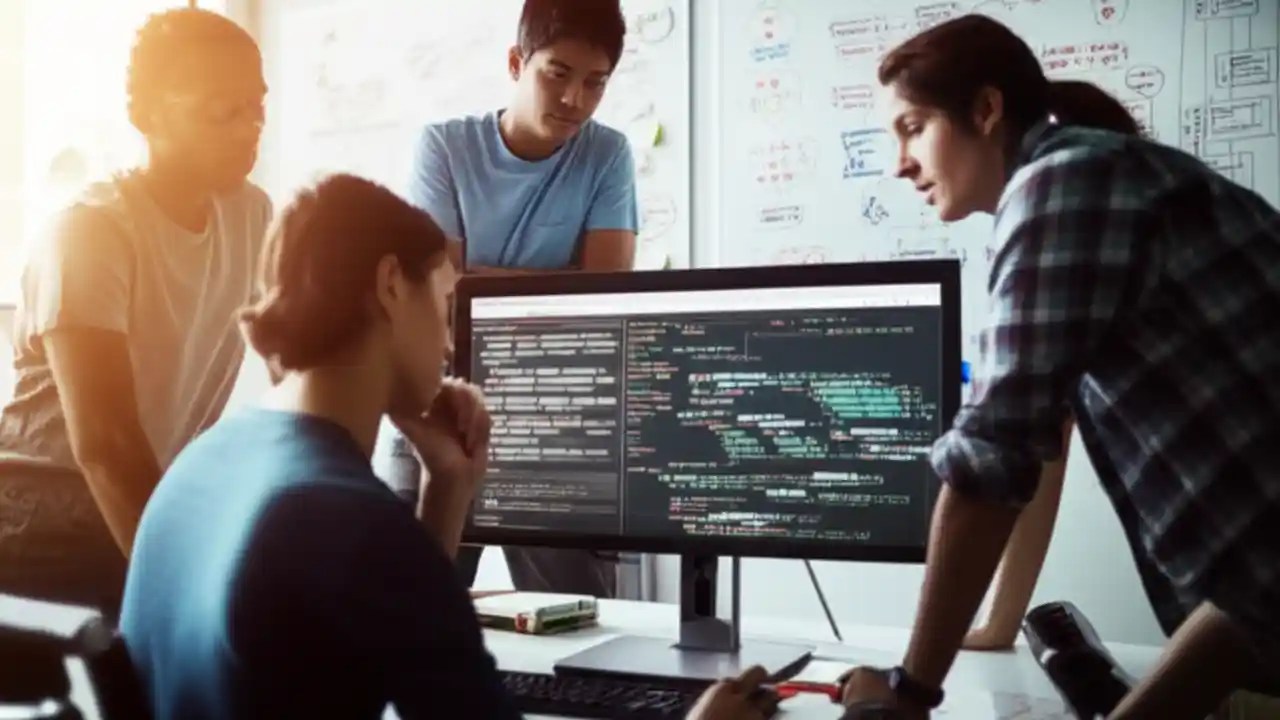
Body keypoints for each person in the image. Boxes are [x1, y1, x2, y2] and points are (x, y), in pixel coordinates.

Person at [119, 173, 777, 720]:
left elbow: (384, 633)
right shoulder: (340, 515)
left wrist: (448, 487)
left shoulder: (204, 463)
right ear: (389, 286)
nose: (447, 344)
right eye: (444, 303)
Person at [836, 14, 1280, 720]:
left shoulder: (1062, 184)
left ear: (985, 109)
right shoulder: (1098, 181)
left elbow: (992, 461)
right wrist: (997, 624)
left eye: (912, 127)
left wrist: (907, 694)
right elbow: (1040, 445)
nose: (899, 163)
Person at [0, 7, 270, 619]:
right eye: (221, 110)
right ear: (145, 116)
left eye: (256, 105)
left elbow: (299, 349)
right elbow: (105, 444)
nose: (248, 127)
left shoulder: (251, 215)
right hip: (35, 526)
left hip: (136, 509)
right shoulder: (90, 232)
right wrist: (183, 598)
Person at [375, 0, 638, 597]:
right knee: (402, 614)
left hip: (561, 419)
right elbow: (436, 293)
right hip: (435, 404)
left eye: (596, 83)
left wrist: (474, 279)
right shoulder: (443, 146)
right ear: (517, 62)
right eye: (558, 74)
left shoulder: (607, 154)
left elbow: (607, 297)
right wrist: (559, 280)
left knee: (579, 625)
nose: (576, 99)